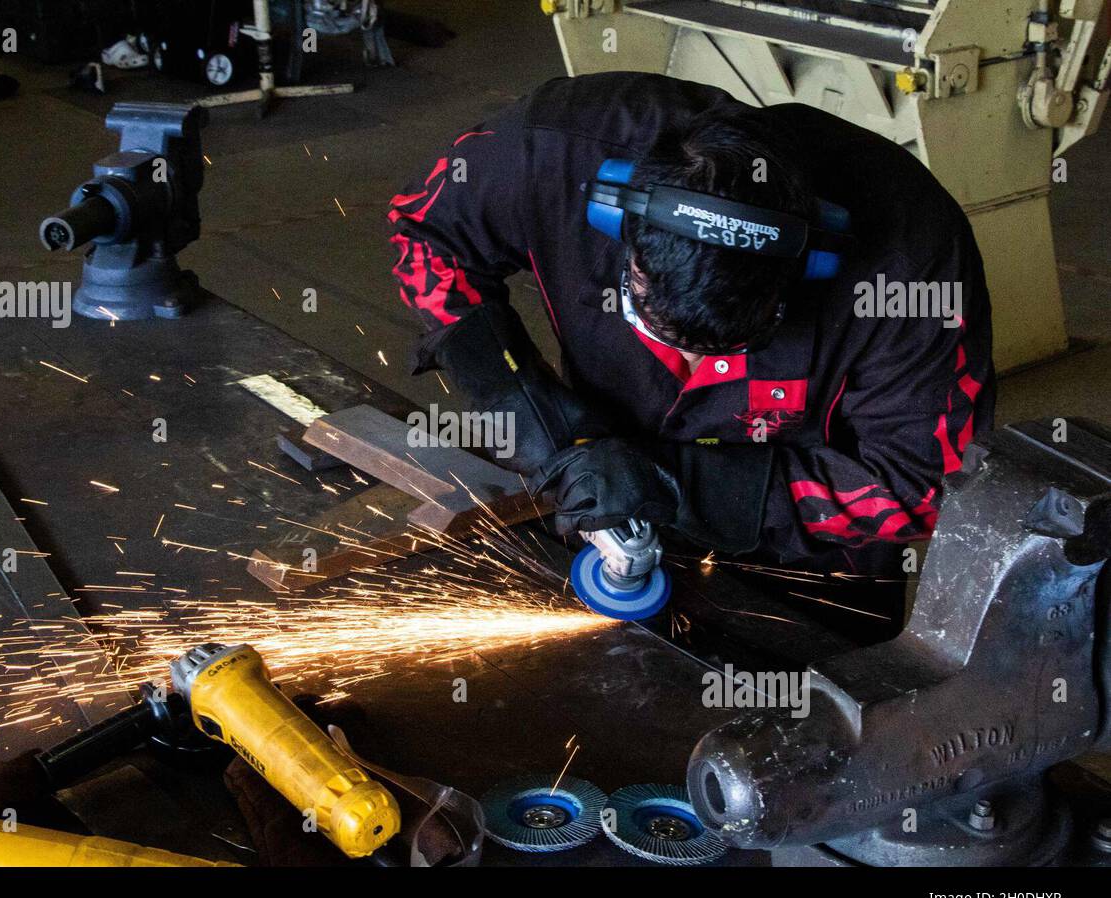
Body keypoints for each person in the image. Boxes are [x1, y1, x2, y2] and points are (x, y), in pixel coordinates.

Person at [387, 72, 994, 627]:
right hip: (595, 497)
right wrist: (536, 415)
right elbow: (427, 236)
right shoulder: (556, 146)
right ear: (616, 217)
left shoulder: (910, 267)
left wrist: (675, 482)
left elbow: (921, 486)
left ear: (807, 271)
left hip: (800, 573)